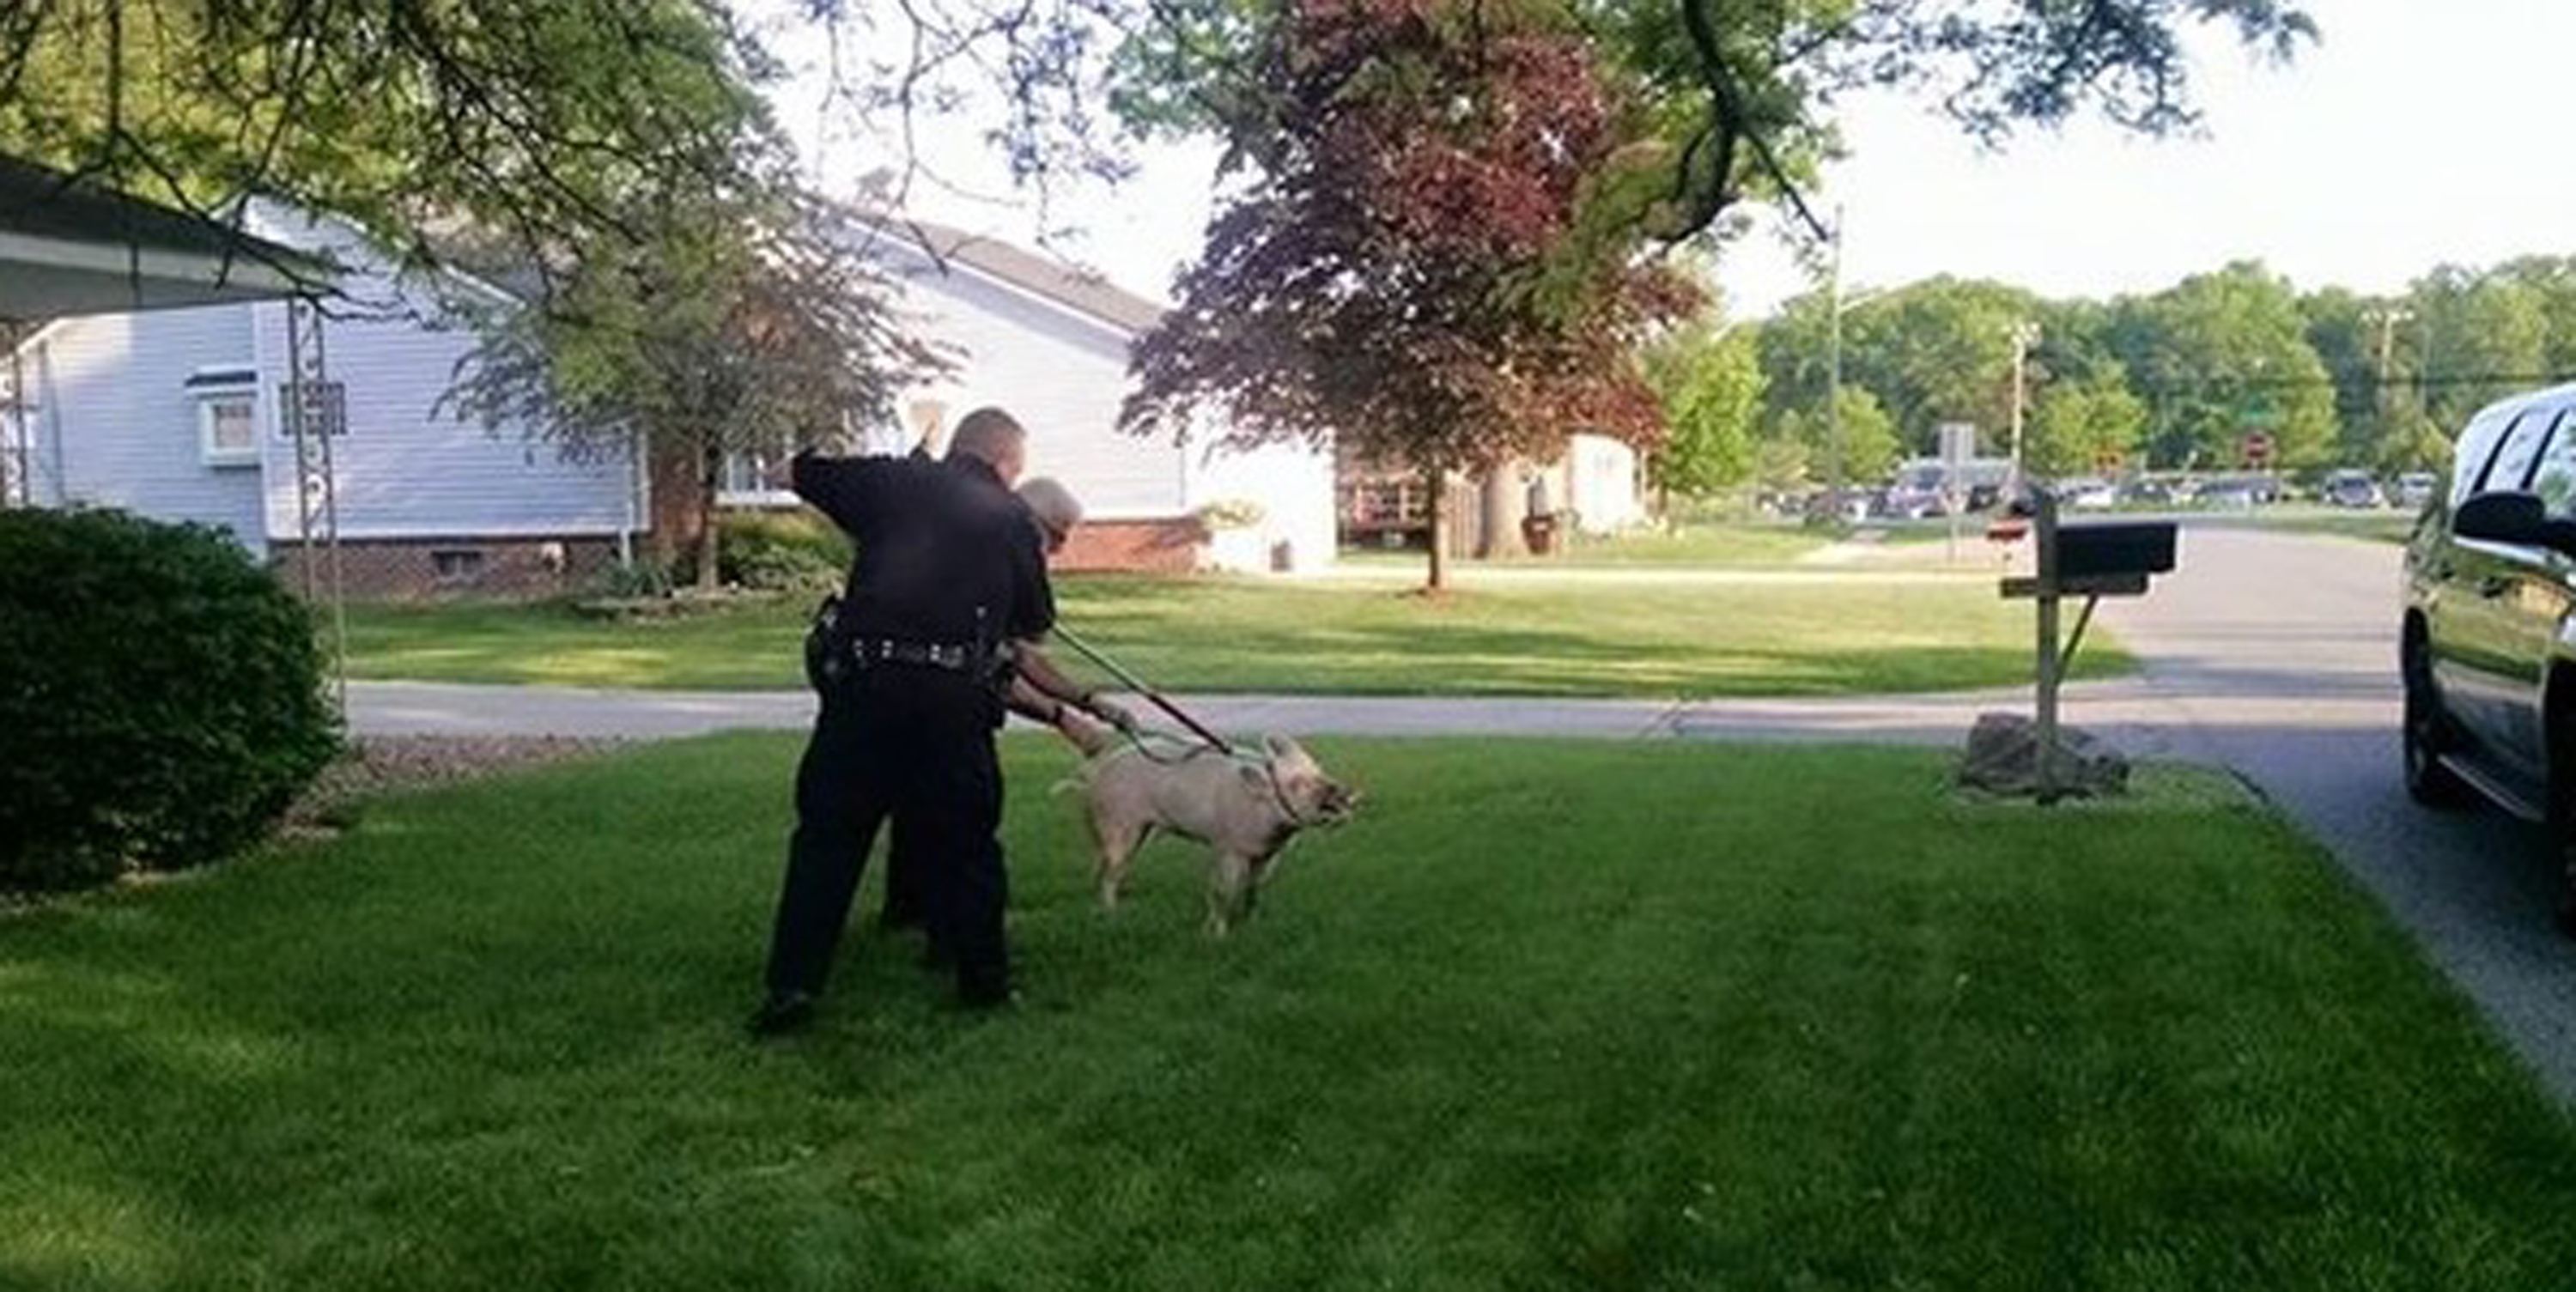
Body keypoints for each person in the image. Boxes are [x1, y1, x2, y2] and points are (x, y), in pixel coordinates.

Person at [752, 407, 1054, 1034]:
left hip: (864, 687)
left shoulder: (887, 480)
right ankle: (983, 981)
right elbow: (1032, 625)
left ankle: (793, 987)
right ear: (1004, 463)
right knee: (969, 840)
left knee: (827, 838)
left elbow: (786, 470)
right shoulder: (1010, 518)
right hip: (952, 698)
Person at [878, 476, 1133, 942]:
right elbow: (1000, 678)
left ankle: (912, 915)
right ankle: (965, 931)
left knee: (920, 811)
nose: (1058, 551)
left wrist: (1090, 703)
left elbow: (1021, 656)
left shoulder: (981, 554)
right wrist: (1066, 719)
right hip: (920, 698)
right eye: (1057, 536)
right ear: (1027, 520)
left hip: (912, 697)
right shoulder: (980, 566)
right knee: (965, 815)